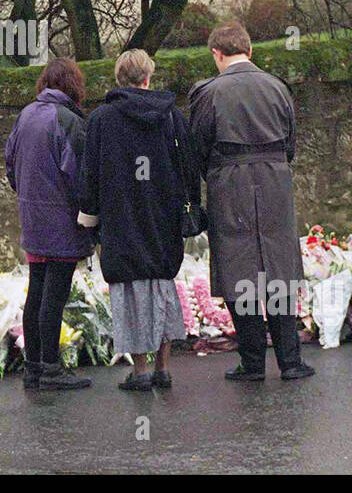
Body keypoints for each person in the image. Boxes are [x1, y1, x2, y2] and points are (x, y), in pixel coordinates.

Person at [189, 21, 314, 381]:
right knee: (278, 265)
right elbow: (290, 142)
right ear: (250, 50)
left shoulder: (208, 93)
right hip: (275, 179)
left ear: (216, 53)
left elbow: (196, 147)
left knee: (238, 267)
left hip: (229, 181)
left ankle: (253, 361)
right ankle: (290, 361)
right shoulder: (277, 87)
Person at [78, 49, 198, 392]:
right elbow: (187, 164)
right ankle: (163, 368)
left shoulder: (101, 119)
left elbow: (91, 173)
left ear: (119, 79)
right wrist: (190, 206)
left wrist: (89, 215)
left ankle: (140, 370)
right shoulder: (171, 116)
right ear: (148, 78)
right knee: (161, 283)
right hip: (163, 213)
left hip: (120, 215)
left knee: (129, 289)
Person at [5, 57, 93, 391]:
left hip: (32, 216)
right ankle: (51, 368)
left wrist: (26, 192)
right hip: (61, 220)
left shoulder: (26, 114)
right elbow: (78, 175)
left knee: (37, 291)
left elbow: (10, 164)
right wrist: (87, 213)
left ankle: (34, 367)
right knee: (54, 295)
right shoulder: (67, 120)